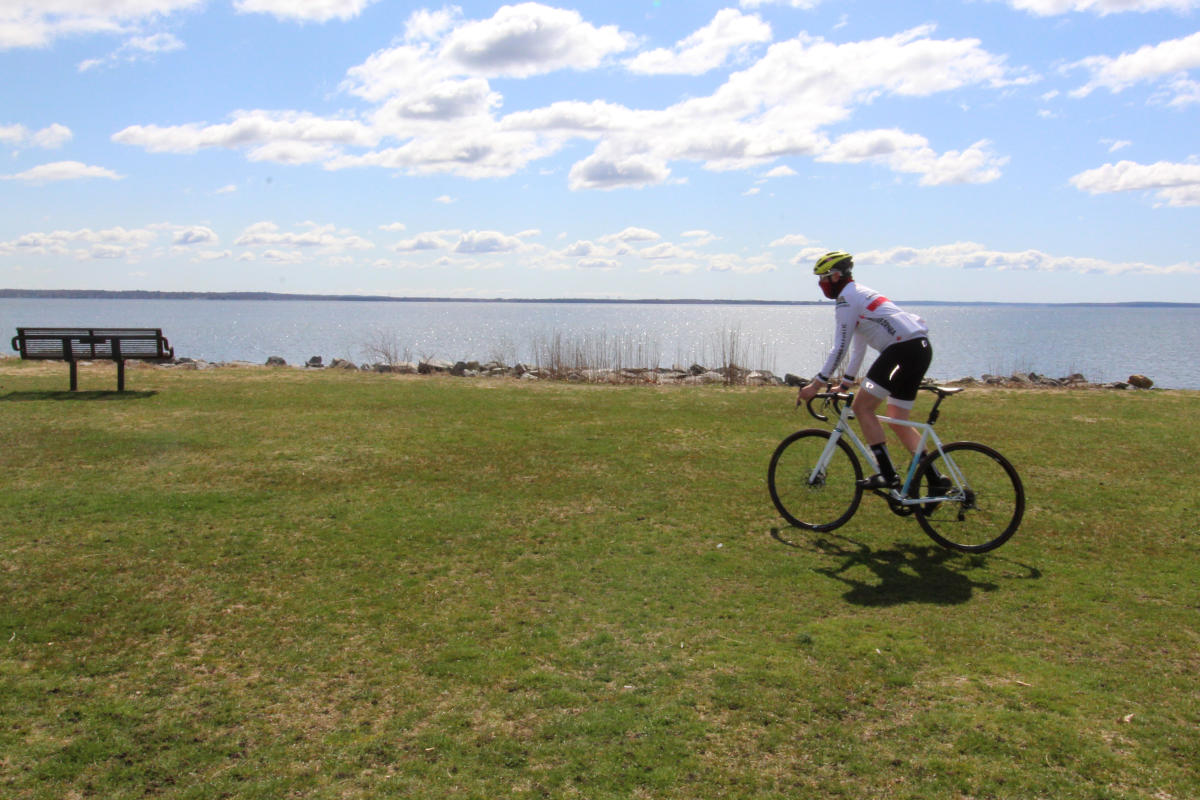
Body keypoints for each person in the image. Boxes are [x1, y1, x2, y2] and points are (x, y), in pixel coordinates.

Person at [795, 251, 933, 490]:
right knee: (898, 420)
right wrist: (845, 384)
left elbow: (840, 347)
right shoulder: (860, 294)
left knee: (862, 407)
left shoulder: (847, 299)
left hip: (901, 351)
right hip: (919, 349)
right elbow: (858, 349)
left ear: (837, 276)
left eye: (823, 278)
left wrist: (815, 385)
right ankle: (935, 479)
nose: (821, 284)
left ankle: (888, 475)